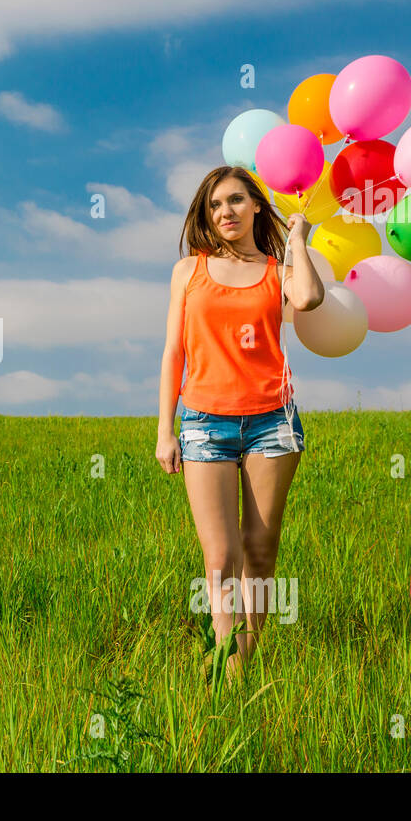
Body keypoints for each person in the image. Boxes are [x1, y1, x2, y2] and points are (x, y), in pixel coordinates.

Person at [155, 165, 325, 682]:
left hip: (273, 424)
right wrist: (166, 430)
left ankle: (247, 659)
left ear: (256, 205)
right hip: (205, 423)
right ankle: (224, 666)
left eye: (234, 200)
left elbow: (310, 299)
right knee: (221, 555)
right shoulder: (189, 271)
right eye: (214, 205)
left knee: (260, 549)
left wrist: (297, 240)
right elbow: (174, 352)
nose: (224, 212)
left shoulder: (279, 270)